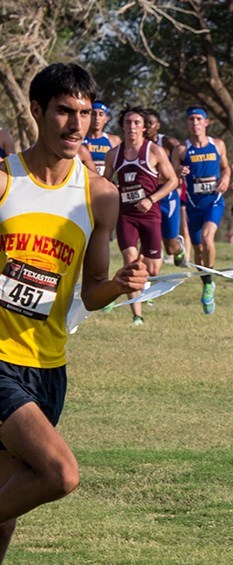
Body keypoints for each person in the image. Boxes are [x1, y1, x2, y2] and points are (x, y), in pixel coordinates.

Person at [0, 62, 149, 561]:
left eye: (84, 113)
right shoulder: (3, 181)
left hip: (47, 369)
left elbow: (90, 293)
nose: (76, 125)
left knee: (6, 512)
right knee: (60, 473)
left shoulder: (99, 196)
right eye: (64, 111)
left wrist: (124, 284)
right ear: (36, 111)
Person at [102, 106, 178, 325]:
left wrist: (151, 199)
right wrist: (110, 190)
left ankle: (127, 287)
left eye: (136, 123)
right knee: (131, 262)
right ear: (122, 126)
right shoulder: (113, 154)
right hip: (126, 215)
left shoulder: (154, 151)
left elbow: (172, 181)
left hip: (150, 214)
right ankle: (137, 315)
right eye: (128, 122)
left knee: (152, 268)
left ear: (145, 128)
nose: (132, 127)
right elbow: (106, 182)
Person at [171, 106, 231, 314]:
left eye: (199, 119)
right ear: (187, 124)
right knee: (197, 249)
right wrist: (178, 171)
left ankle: (210, 279)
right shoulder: (181, 150)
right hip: (194, 206)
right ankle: (206, 283)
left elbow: (226, 168)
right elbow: (170, 175)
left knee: (207, 239)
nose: (195, 123)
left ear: (206, 123)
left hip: (214, 201)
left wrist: (225, 178)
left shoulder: (218, 145)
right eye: (191, 119)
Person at [144, 108, 187, 266]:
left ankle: (179, 247)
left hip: (167, 195)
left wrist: (182, 168)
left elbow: (184, 154)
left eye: (150, 123)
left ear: (158, 126)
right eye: (145, 123)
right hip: (146, 196)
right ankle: (144, 279)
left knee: (170, 247)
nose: (147, 127)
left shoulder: (167, 142)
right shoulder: (138, 144)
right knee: (147, 238)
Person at [80, 100, 120, 175]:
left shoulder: (114, 141)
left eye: (101, 114)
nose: (97, 118)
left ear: (106, 118)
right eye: (93, 114)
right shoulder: (79, 139)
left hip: (106, 182)